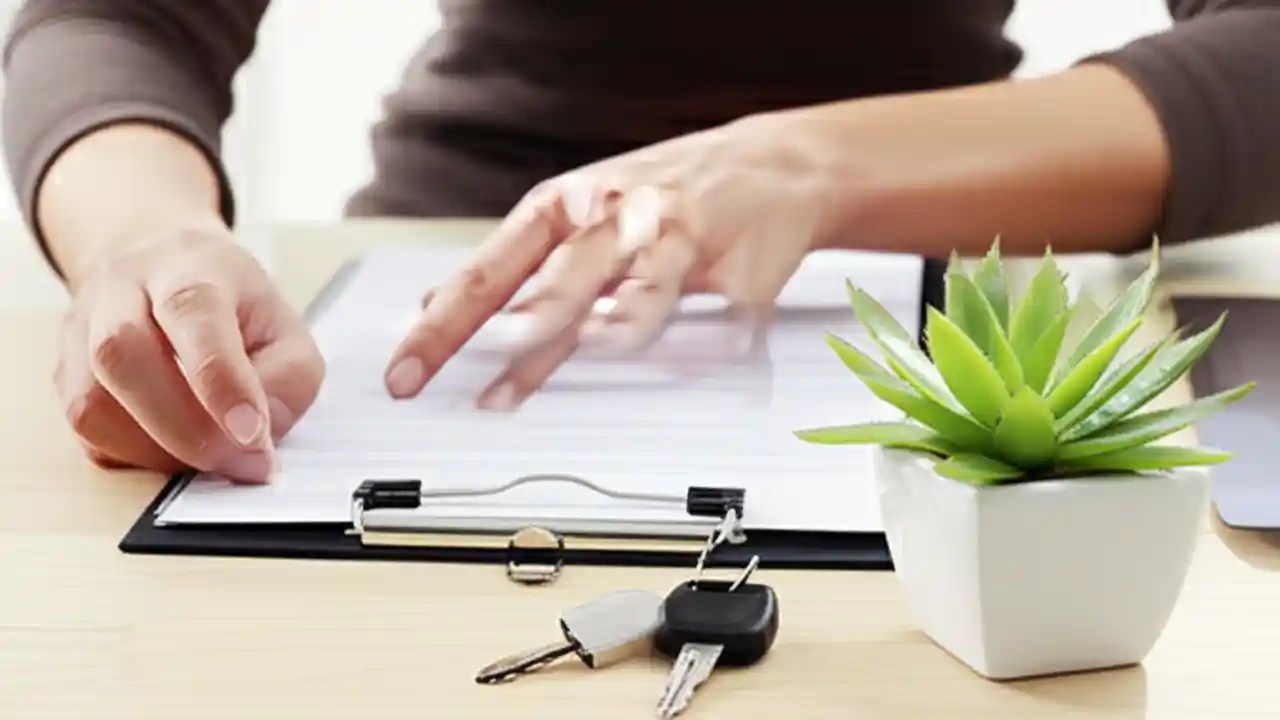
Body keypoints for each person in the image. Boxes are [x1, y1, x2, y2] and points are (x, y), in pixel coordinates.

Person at [3, 2, 1278, 483]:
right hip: (451, 267)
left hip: (931, 269)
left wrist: (806, 164)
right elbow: (113, 18)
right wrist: (145, 236)